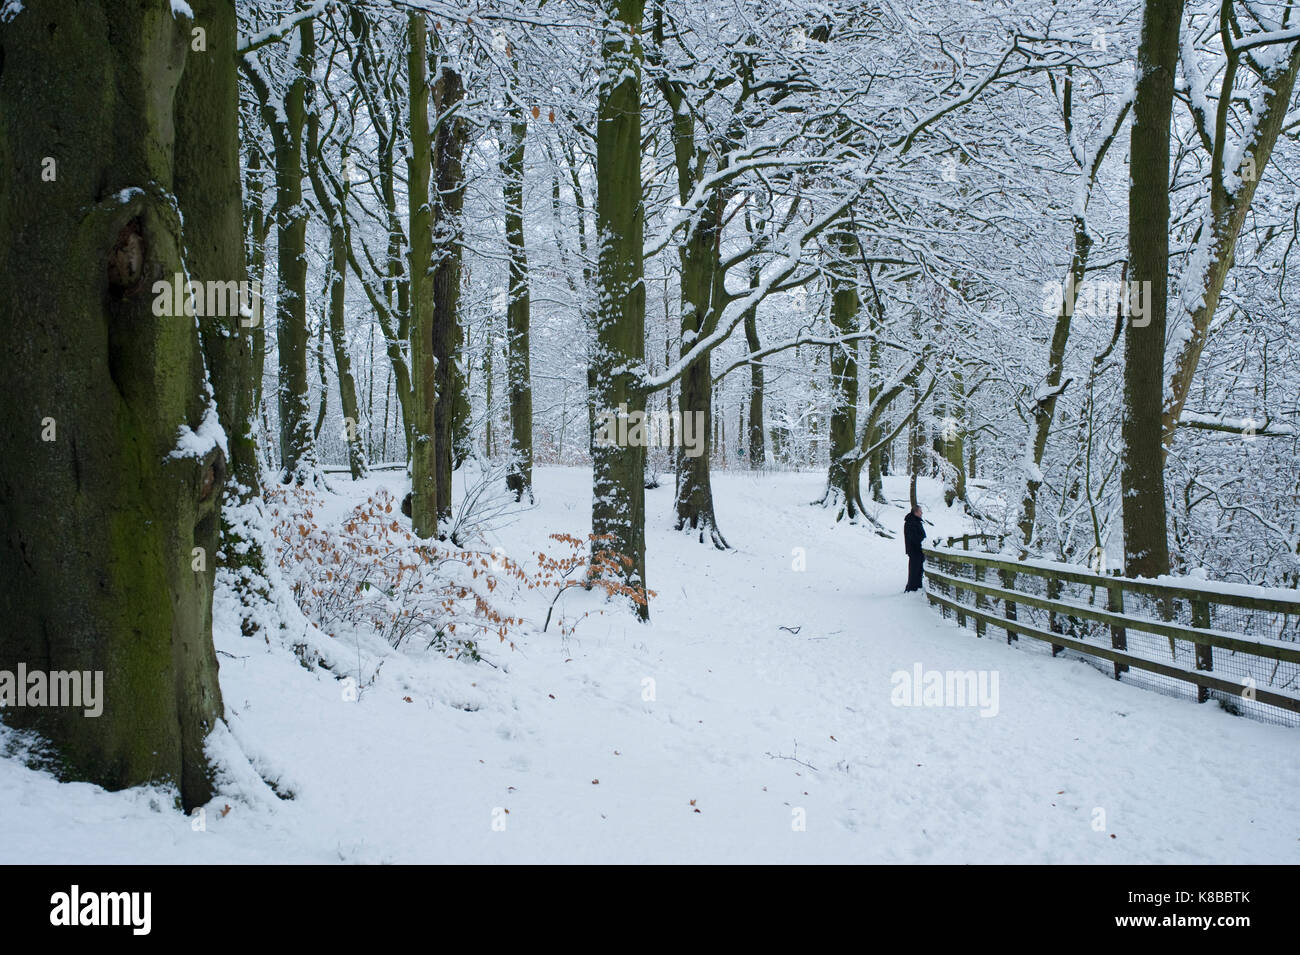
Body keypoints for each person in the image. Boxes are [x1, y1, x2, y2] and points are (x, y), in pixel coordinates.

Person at [903, 504, 926, 592]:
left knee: (919, 569)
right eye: (920, 511)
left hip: (918, 550)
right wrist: (922, 543)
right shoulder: (911, 522)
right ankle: (912, 588)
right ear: (916, 512)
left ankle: (916, 587)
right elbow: (914, 537)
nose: (922, 513)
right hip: (915, 550)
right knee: (914, 570)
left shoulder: (915, 521)